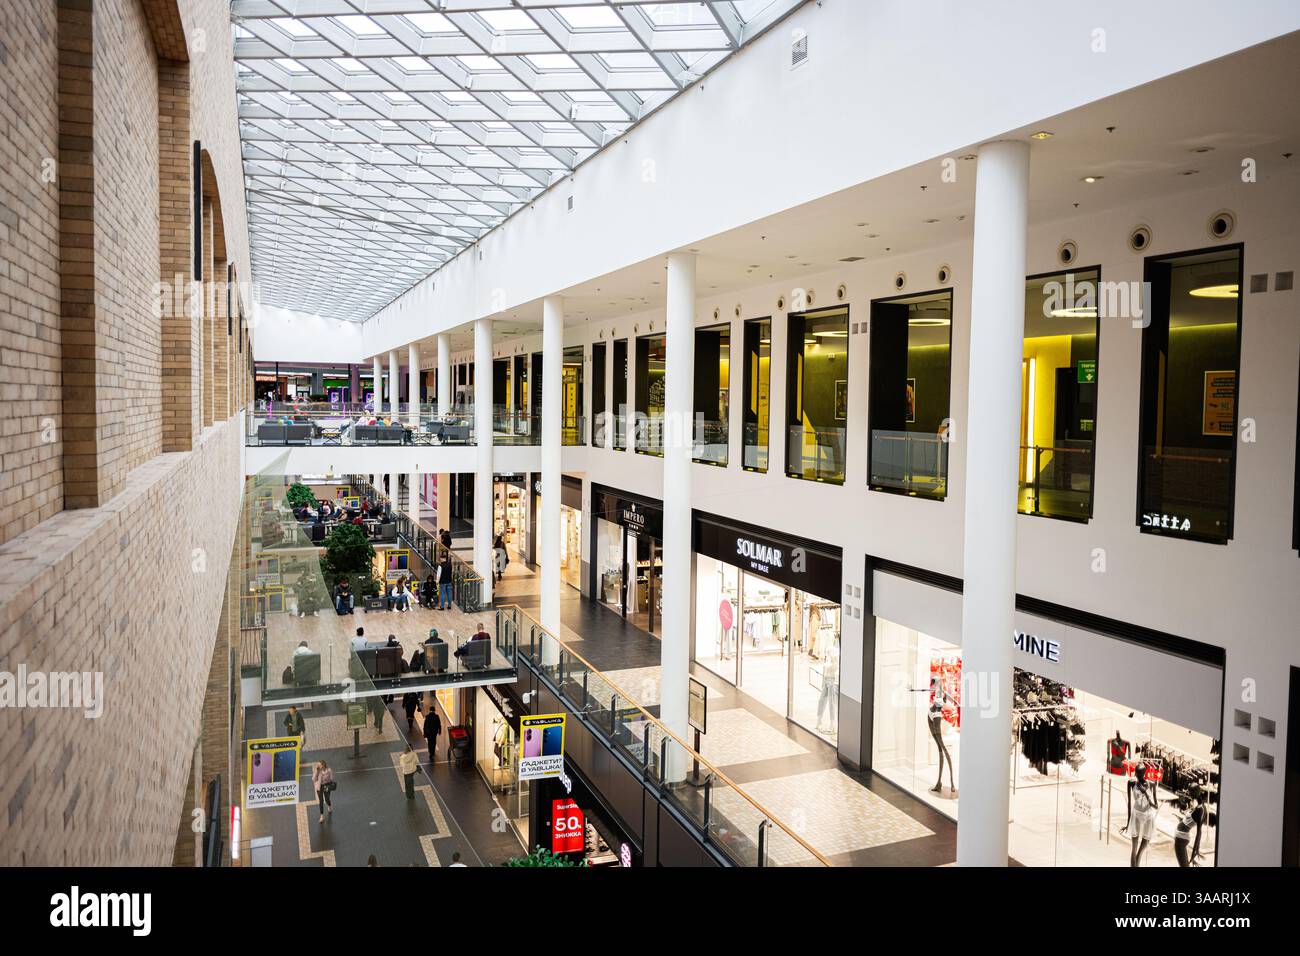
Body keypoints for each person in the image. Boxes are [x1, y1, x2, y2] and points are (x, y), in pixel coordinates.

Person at [1122, 763, 1159, 867]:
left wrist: (1145, 792)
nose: (1137, 776)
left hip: (1148, 815)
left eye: (1139, 774)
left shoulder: (1151, 784)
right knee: (1134, 847)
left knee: (1142, 848)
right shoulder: (1131, 783)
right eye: (1136, 773)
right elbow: (1129, 803)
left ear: (1144, 773)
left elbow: (1155, 806)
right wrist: (1128, 823)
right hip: (1136, 814)